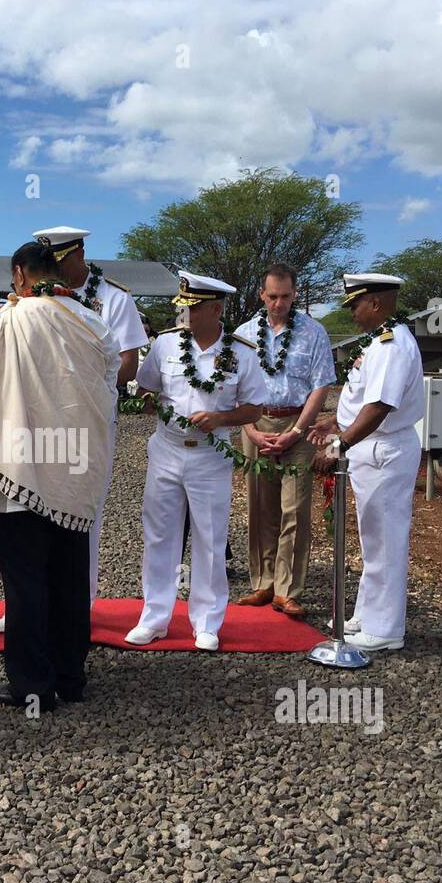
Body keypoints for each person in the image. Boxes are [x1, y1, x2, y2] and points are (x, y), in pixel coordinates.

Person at [0, 241, 115, 711]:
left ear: (19, 274)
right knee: (71, 576)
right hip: (74, 473)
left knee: (27, 581)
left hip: (18, 472)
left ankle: (32, 684)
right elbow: (108, 388)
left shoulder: (7, 322)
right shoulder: (91, 320)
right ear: (53, 271)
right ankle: (70, 676)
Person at [126, 272, 265, 652]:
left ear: (215, 309)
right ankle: (154, 616)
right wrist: (158, 408)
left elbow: (255, 405)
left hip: (210, 454)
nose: (184, 315)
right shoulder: (166, 345)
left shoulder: (241, 353)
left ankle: (207, 622)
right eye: (183, 308)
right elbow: (147, 388)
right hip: (167, 449)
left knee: (209, 537)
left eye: (193, 308)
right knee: (159, 534)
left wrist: (221, 418)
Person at [29, 225, 149, 603]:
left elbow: (128, 364)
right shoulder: (36, 298)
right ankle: (30, 602)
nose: (55, 270)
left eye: (60, 261)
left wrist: (78, 380)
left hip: (89, 419)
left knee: (84, 512)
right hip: (42, 417)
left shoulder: (113, 299)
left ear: (79, 254)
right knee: (33, 508)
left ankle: (79, 606)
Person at [307, 273, 423, 652]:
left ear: (375, 303)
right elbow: (363, 402)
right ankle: (368, 614)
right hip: (372, 450)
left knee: (386, 540)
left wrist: (338, 446)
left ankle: (387, 628)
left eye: (355, 304)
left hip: (384, 451)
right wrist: (337, 421)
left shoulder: (392, 346)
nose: (352, 313)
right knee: (372, 539)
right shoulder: (379, 343)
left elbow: (379, 407)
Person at [233, 263, 337, 618]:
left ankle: (287, 588)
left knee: (294, 508)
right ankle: (262, 582)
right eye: (272, 296)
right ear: (261, 294)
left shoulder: (314, 332)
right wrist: (250, 428)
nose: (278, 304)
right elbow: (232, 389)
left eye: (286, 296)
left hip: (299, 422)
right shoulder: (244, 333)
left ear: (295, 294)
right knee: (260, 505)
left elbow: (321, 385)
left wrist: (296, 432)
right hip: (256, 420)